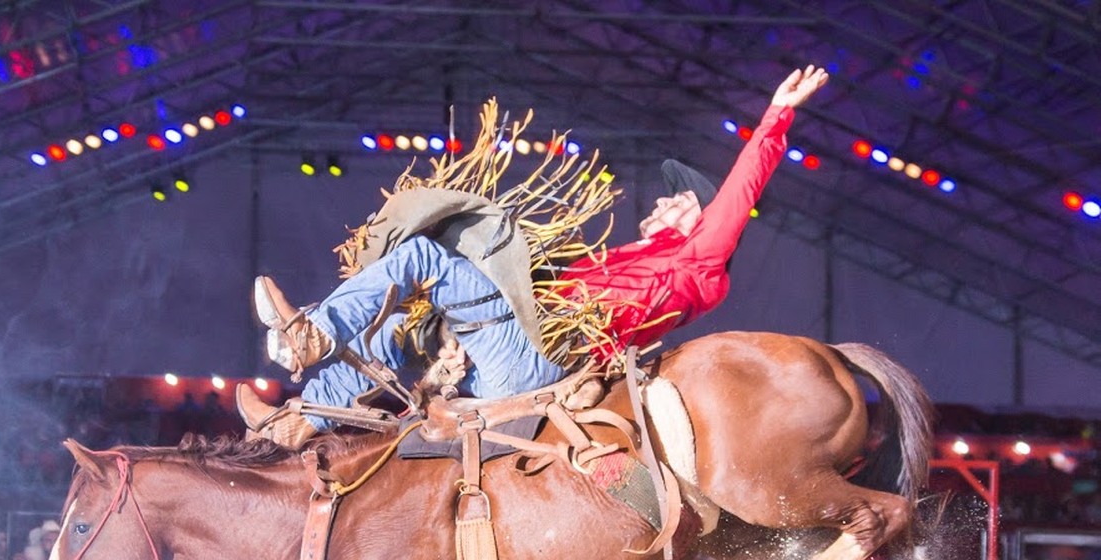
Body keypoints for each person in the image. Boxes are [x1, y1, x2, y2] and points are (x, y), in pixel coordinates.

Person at [236, 65, 830, 448]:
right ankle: (302, 418)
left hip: (540, 356)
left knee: (422, 256)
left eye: (674, 202)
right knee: (404, 320)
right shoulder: (628, 257)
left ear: (703, 217)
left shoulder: (701, 260)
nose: (658, 206)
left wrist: (778, 113)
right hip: (521, 346)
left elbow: (742, 188)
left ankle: (311, 336)